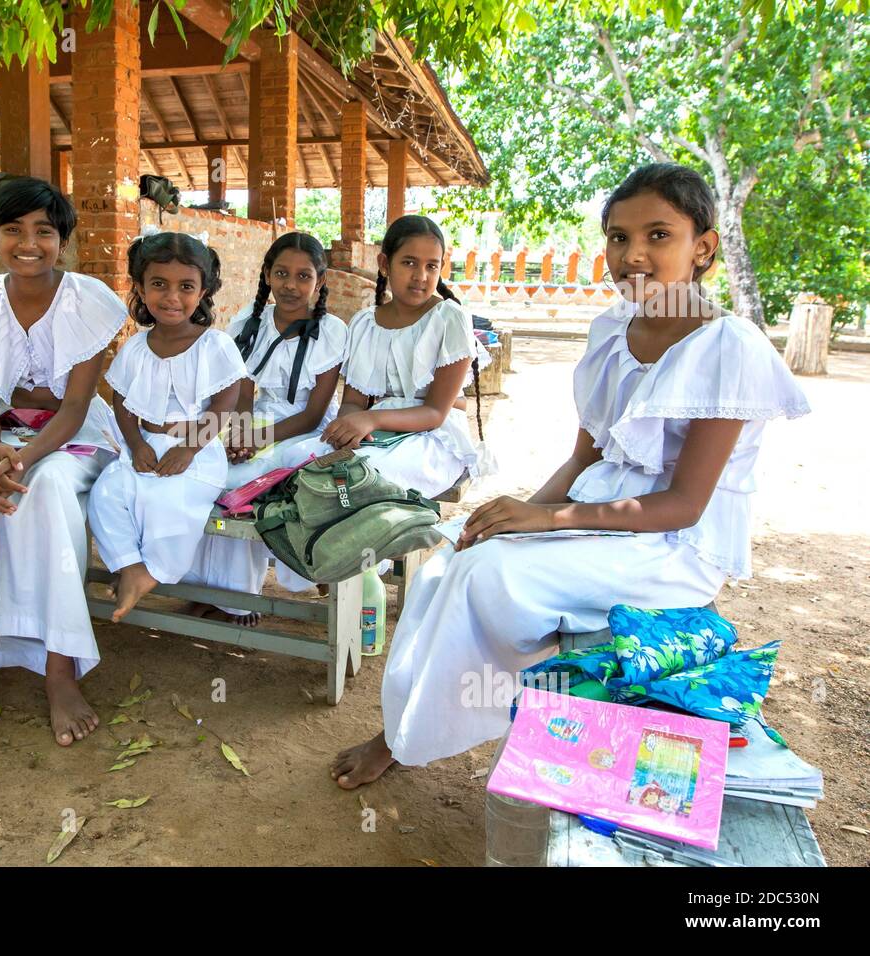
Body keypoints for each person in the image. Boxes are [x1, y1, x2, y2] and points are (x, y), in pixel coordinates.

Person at [331, 163, 811, 789]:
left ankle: (413, 735)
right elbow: (585, 456)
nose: (632, 254)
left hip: (671, 546)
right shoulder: (613, 329)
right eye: (618, 237)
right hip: (595, 509)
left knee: (486, 578)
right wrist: (516, 513)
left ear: (705, 248)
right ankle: (406, 726)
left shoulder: (730, 348)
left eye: (658, 235)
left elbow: (685, 505)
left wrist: (549, 521)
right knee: (454, 553)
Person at [0, 176, 127, 751]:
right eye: (13, 230)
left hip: (74, 436)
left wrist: (26, 461)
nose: (28, 242)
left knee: (52, 491)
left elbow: (76, 407)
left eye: (44, 230)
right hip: (3, 436)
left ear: (62, 239)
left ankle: (59, 671)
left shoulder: (89, 302)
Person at [181, 232, 346, 624]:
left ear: (319, 283)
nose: (291, 285)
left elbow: (313, 413)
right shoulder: (248, 323)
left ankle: (239, 597)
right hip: (256, 422)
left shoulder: (333, 331)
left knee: (256, 479)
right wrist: (238, 435)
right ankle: (206, 586)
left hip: (306, 428)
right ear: (267, 276)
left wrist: (258, 440)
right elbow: (243, 394)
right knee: (214, 470)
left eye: (303, 276)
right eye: (281, 273)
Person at [88, 232, 246, 624]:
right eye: (159, 284)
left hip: (198, 452)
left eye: (186, 287)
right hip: (146, 447)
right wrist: (136, 444)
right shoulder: (135, 350)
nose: (171, 297)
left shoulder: (216, 346)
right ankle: (129, 565)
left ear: (204, 291)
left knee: (168, 501)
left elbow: (226, 404)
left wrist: (189, 449)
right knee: (107, 493)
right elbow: (121, 403)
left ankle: (151, 572)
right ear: (141, 289)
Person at [288, 215, 490, 501]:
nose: (420, 276)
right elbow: (352, 403)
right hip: (378, 432)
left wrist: (371, 420)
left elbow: (435, 413)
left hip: (435, 438)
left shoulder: (450, 319)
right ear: (384, 264)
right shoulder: (365, 323)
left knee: (365, 475)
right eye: (409, 263)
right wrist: (350, 431)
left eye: (431, 266)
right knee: (297, 459)